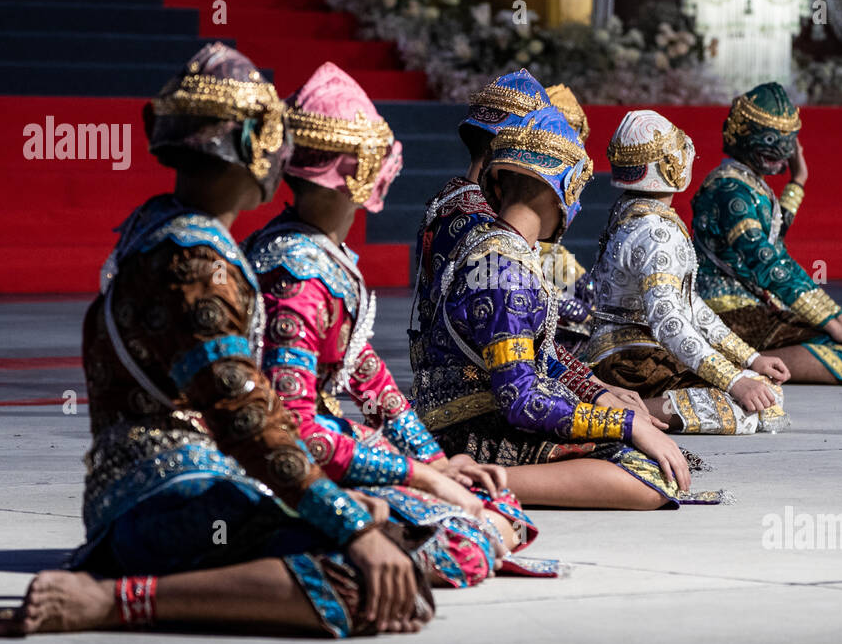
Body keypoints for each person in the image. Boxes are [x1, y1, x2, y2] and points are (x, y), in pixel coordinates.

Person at [0, 45, 432, 644]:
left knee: (395, 554)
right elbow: (247, 424)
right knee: (363, 579)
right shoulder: (195, 264)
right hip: (162, 499)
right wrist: (351, 525)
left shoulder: (159, 229)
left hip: (164, 490)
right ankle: (111, 600)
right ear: (252, 146)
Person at [246, 62, 561, 585]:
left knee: (491, 504)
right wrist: (423, 476)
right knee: (469, 541)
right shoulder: (297, 274)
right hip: (280, 467)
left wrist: (436, 462)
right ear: (362, 170)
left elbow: (369, 378)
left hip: (320, 446)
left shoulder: (316, 252)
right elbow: (294, 428)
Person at [412, 105, 727, 508]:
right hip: (469, 425)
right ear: (555, 187)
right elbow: (520, 399)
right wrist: (627, 424)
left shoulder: (503, 249)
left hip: (472, 409)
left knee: (640, 457)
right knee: (647, 479)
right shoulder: (503, 269)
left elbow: (539, 354)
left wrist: (597, 395)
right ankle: (477, 480)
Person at [409, 69, 649, 415]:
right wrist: (596, 394)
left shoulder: (453, 198)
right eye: (534, 132)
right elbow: (520, 332)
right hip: (478, 389)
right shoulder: (484, 224)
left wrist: (596, 390)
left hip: (475, 370)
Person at [587, 110, 791, 434]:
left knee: (761, 390)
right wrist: (736, 381)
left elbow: (690, 304)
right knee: (748, 408)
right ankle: (615, 413)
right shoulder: (657, 232)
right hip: (633, 363)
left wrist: (750, 360)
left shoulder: (632, 212)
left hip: (629, 352)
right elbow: (669, 322)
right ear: (669, 166)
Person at [692, 82, 842, 385]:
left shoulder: (745, 182)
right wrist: (836, 324)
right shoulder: (730, 189)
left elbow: (773, 235)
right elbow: (768, 263)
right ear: (744, 136)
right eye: (771, 139)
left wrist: (799, 180)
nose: (785, 150)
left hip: (752, 306)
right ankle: (733, 363)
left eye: (790, 141)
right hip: (729, 313)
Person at [538, 83, 596, 351]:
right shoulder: (518, 183)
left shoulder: (555, 185)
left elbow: (549, 252)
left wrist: (583, 283)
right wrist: (563, 302)